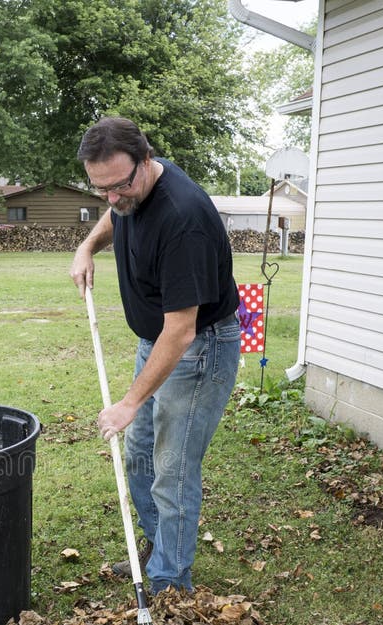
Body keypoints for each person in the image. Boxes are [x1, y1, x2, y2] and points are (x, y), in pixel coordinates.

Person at [70, 117, 240, 595]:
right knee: (141, 456)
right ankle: (158, 548)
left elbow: (181, 330)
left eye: (119, 185)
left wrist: (130, 401)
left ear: (146, 162)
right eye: (99, 187)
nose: (111, 198)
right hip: (159, 343)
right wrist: (87, 248)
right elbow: (115, 213)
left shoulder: (184, 220)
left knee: (173, 469)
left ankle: (170, 581)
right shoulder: (129, 191)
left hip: (199, 349)